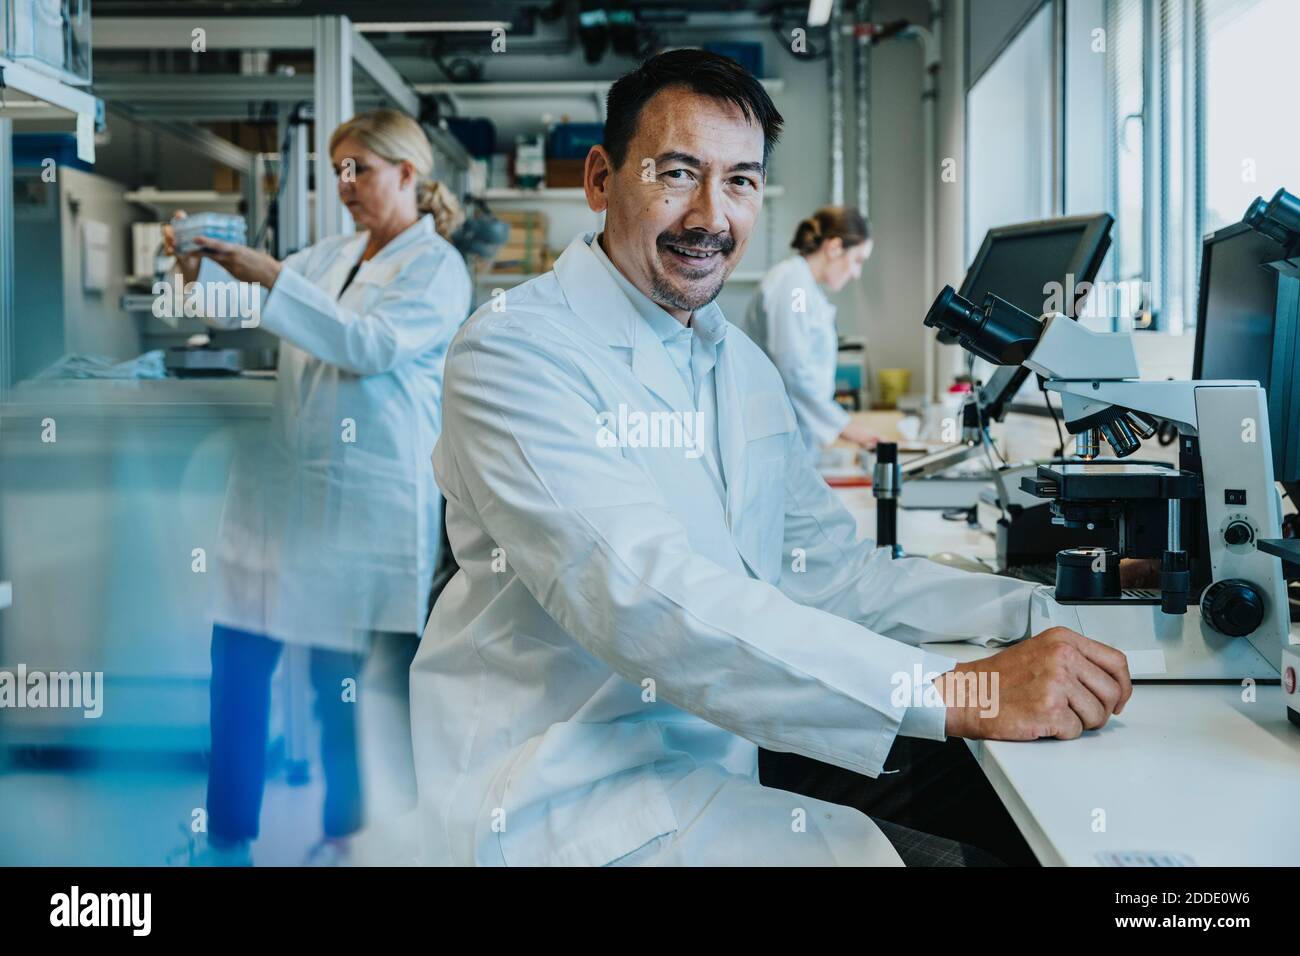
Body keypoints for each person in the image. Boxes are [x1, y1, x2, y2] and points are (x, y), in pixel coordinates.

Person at [411, 50, 1132, 867]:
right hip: (571, 794)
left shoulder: (735, 364)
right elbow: (644, 600)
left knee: (1052, 805)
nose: (710, 216)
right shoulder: (515, 351)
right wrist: (960, 689)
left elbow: (831, 575)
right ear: (601, 179)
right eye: (677, 173)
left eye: (742, 181)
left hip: (726, 741)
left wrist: (1041, 611)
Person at [167, 108, 472, 866]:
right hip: (280, 501)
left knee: (340, 692)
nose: (343, 184)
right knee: (236, 666)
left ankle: (349, 842)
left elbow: (366, 345)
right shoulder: (330, 253)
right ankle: (227, 839)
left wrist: (272, 277)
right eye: (337, 169)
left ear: (407, 173)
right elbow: (249, 311)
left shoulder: (437, 269)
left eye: (358, 168)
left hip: (364, 509)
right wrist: (196, 267)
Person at [744, 206, 877, 451]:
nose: (856, 273)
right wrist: (844, 425)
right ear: (834, 247)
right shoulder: (793, 284)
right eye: (857, 260)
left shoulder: (803, 285)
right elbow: (793, 369)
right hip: (773, 431)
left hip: (790, 431)